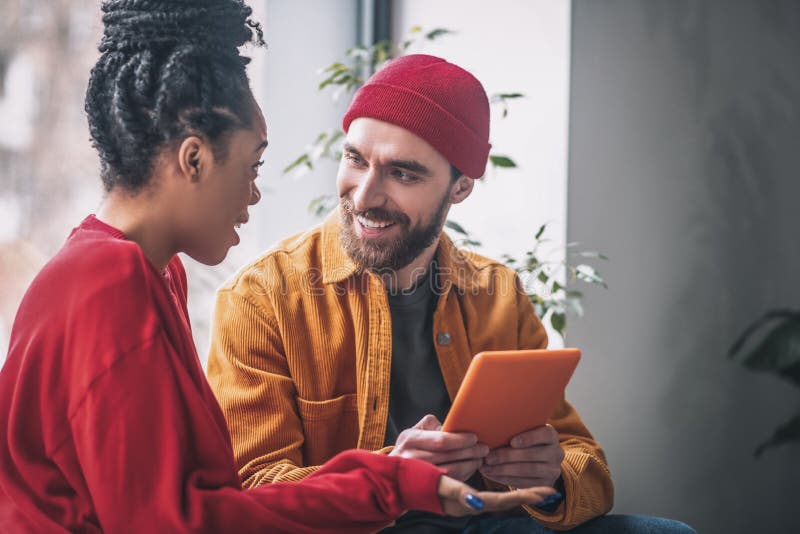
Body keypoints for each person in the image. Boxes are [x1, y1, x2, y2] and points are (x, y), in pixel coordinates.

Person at [0, 3, 556, 532]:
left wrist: (398, 480)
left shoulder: (148, 274)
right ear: (194, 159)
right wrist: (389, 482)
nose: (256, 194)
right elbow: (176, 525)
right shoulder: (106, 283)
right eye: (252, 165)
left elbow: (194, 509)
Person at [207, 54, 697, 533]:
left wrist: (552, 477)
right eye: (355, 159)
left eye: (403, 173)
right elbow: (255, 492)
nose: (363, 196)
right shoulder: (260, 299)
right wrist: (387, 479)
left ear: (460, 188)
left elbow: (586, 465)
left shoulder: (499, 294)